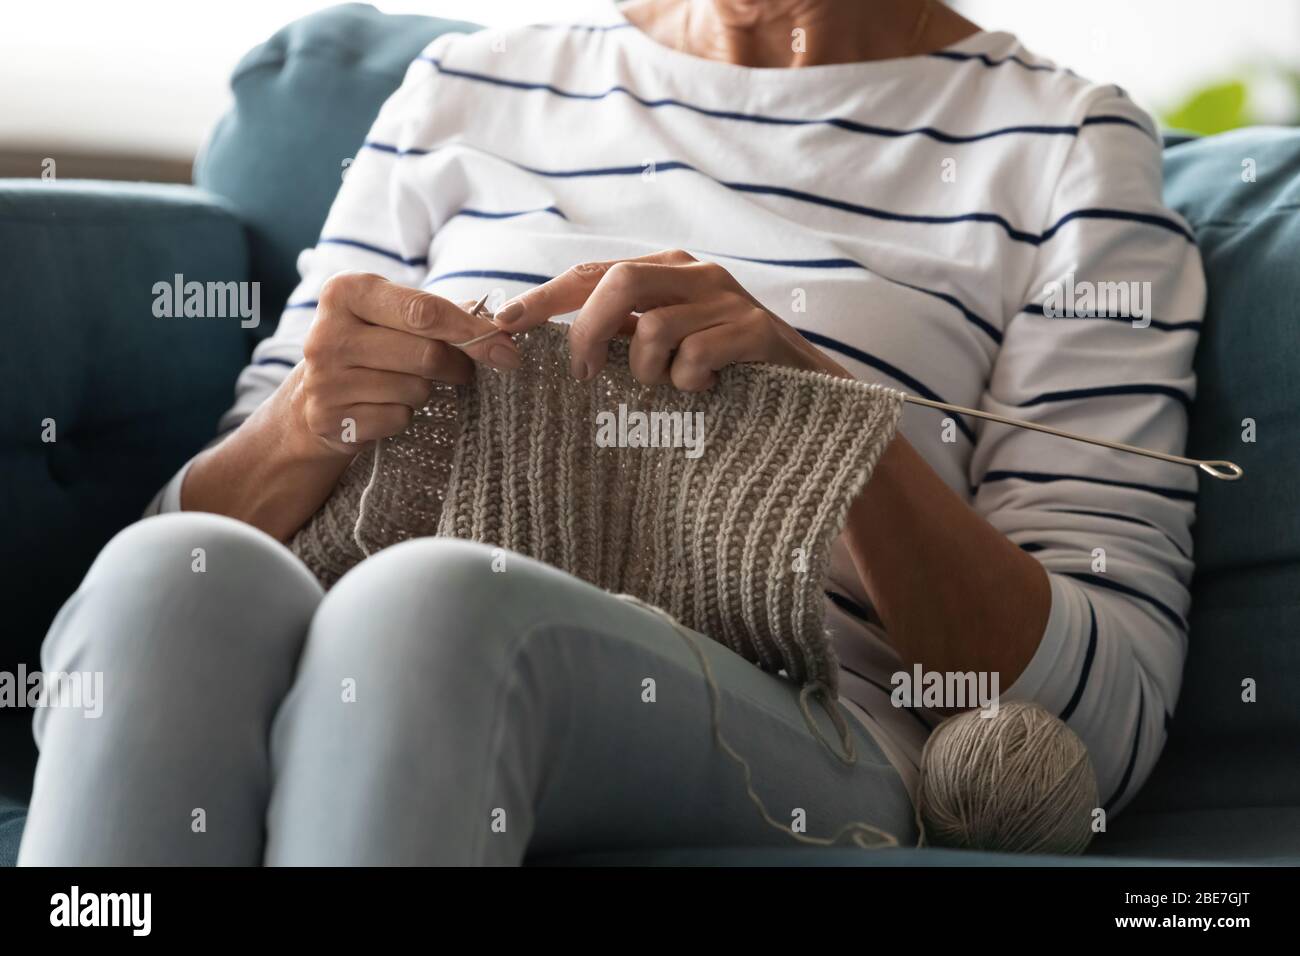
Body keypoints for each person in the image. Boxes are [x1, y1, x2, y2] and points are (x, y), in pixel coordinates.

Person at [19, 0, 1204, 865]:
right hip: (374, 606)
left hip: (798, 711)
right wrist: (303, 419)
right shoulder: (465, 87)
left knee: (433, 604)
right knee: (164, 583)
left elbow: (1102, 719)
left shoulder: (1066, 148)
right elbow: (193, 543)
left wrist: (823, 424)